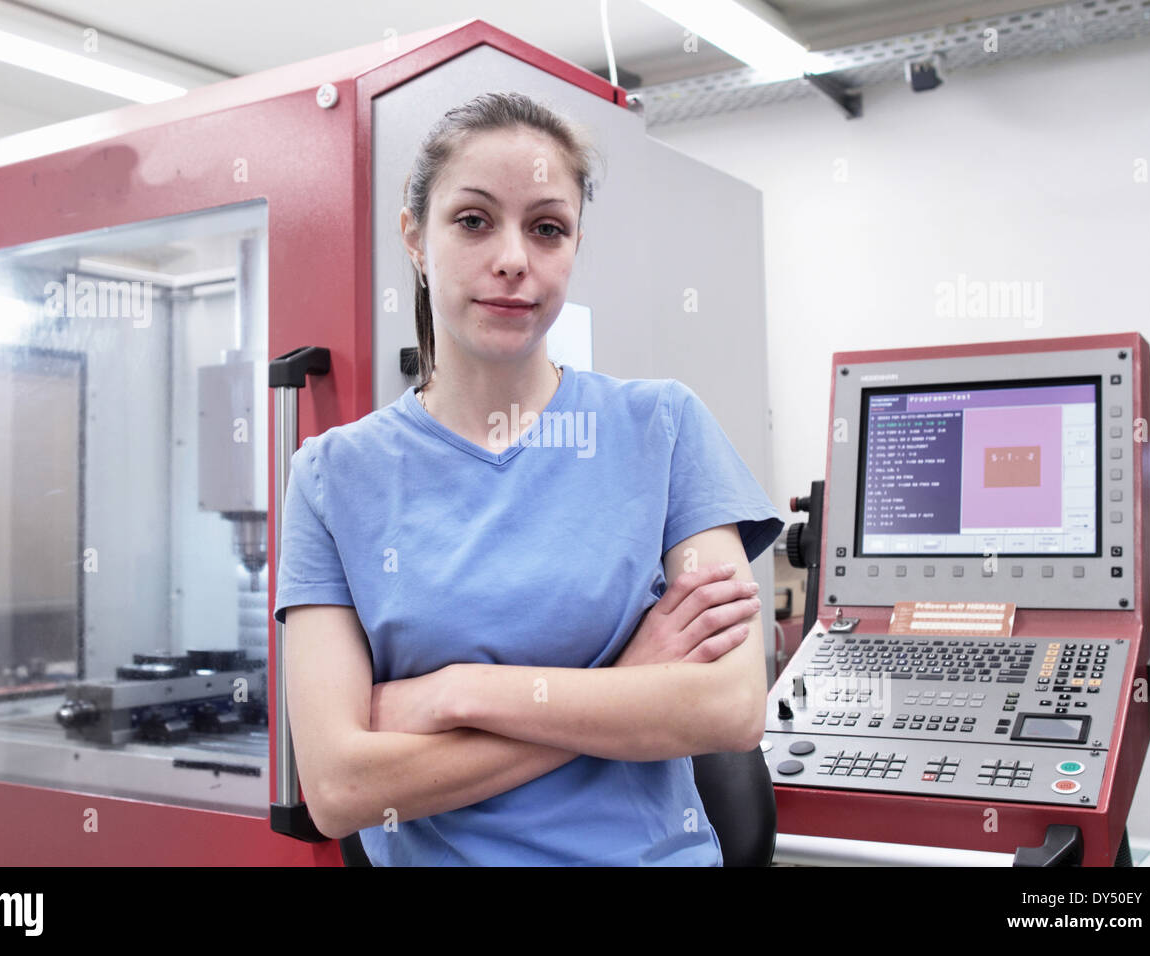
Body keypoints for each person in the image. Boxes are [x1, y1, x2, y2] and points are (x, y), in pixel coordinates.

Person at [274, 91, 784, 866]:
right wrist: (628, 682)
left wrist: (454, 695)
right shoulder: (331, 477)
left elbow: (731, 706)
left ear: (574, 246)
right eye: (473, 221)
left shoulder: (664, 429)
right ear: (414, 238)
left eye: (547, 227)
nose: (513, 257)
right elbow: (341, 788)